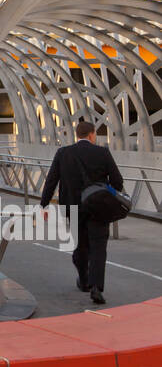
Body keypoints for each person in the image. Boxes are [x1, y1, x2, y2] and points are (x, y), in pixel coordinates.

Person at [40, 118, 123, 305]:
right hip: (98, 207)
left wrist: (43, 205)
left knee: (80, 245)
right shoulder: (103, 153)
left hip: (74, 207)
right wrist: (105, 190)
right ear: (92, 134)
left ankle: (83, 280)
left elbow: (51, 180)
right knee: (98, 247)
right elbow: (118, 181)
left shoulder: (63, 153)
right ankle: (96, 287)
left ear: (77, 135)